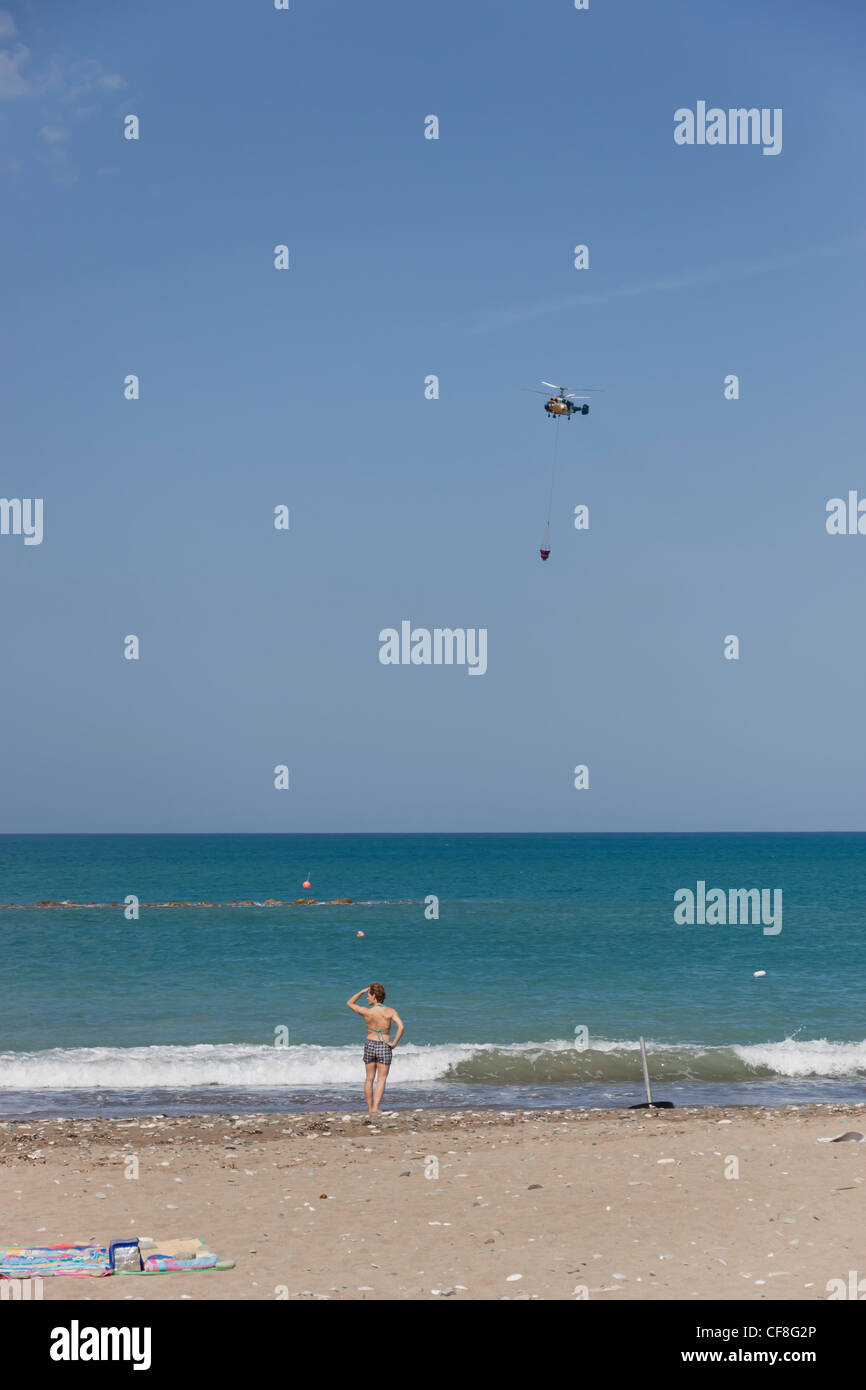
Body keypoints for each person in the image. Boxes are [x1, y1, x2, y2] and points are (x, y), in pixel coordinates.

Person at [346, 983, 404, 1113]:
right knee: (381, 1079)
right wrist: (394, 1043)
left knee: (369, 1079)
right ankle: (376, 1107)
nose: (367, 998)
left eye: (368, 995)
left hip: (370, 1044)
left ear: (374, 996)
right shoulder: (390, 1011)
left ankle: (369, 1108)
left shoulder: (367, 1012)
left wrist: (361, 991)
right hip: (384, 1044)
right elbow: (401, 1027)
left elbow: (349, 1003)